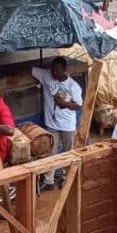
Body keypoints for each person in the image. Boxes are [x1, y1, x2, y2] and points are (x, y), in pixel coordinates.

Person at [31, 57, 83, 191]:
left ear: (65, 70)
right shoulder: (47, 76)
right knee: (51, 152)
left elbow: (78, 105)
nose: (54, 73)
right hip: (52, 124)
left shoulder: (73, 86)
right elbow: (32, 70)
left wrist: (64, 104)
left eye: (58, 71)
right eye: (53, 70)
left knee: (68, 152)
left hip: (67, 126)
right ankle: (49, 181)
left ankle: (66, 177)